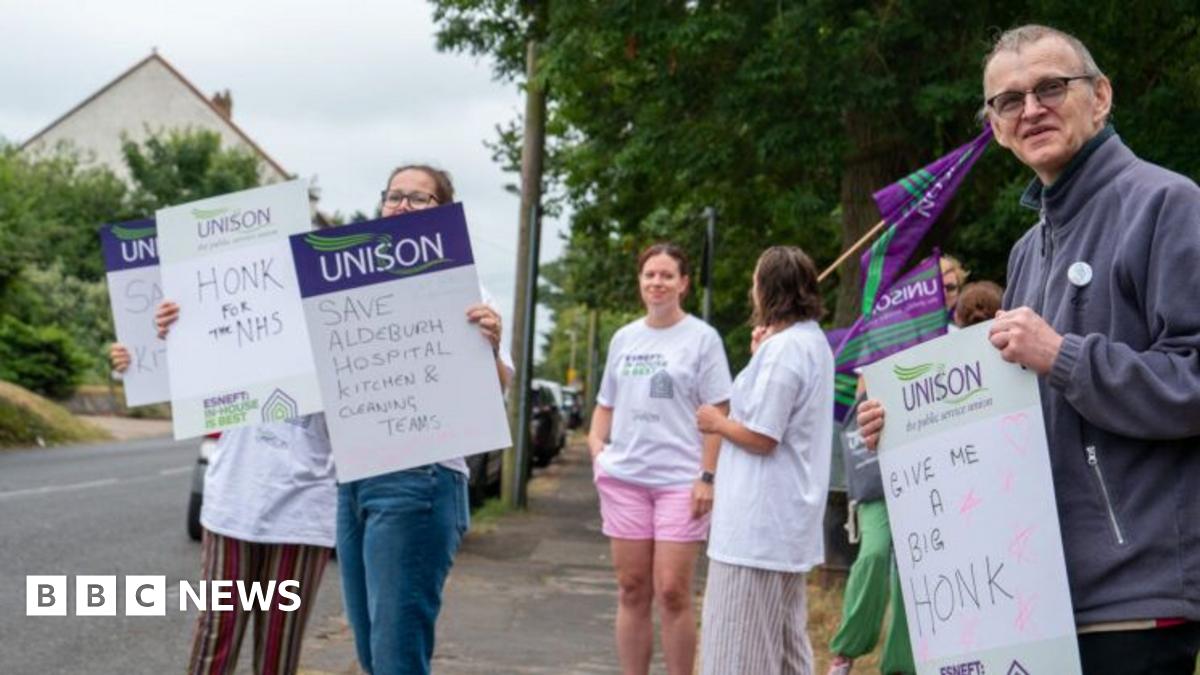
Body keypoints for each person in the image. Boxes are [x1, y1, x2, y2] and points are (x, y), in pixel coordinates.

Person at [859, 24, 1200, 674]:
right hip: (1030, 599)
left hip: (1134, 594)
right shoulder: (1027, 247)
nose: (1032, 108)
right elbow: (1008, 415)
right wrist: (905, 430)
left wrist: (1064, 355)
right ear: (994, 126)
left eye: (1051, 87)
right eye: (1009, 100)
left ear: (1099, 97)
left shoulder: (1167, 204)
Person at [336, 164, 512, 675]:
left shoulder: (466, 286)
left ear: (445, 213)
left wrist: (492, 344)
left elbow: (499, 384)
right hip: (354, 478)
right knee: (373, 652)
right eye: (393, 197)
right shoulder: (350, 286)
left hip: (420, 477)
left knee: (396, 656)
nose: (401, 207)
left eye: (418, 199)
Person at [110, 342, 335, 675]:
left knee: (279, 650)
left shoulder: (333, 309)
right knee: (214, 641)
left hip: (303, 509)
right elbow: (184, 372)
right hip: (233, 502)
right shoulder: (231, 308)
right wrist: (141, 356)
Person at [587, 242, 732, 675]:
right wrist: (597, 449)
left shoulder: (703, 339)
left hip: (680, 482)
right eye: (650, 274)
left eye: (667, 275)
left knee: (671, 590)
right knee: (632, 589)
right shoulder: (625, 338)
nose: (657, 282)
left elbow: (718, 412)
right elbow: (605, 403)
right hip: (625, 479)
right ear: (640, 281)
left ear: (684, 283)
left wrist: (707, 476)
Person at [696, 245, 833, 675]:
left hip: (757, 529)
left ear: (767, 289)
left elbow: (762, 436)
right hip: (783, 526)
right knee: (786, 651)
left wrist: (716, 422)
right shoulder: (808, 344)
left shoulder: (787, 351)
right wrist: (759, 358)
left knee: (738, 653)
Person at [938, 254, 968, 326]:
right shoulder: (908, 322)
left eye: (950, 288)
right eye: (937, 287)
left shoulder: (967, 321)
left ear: (959, 291)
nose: (944, 293)